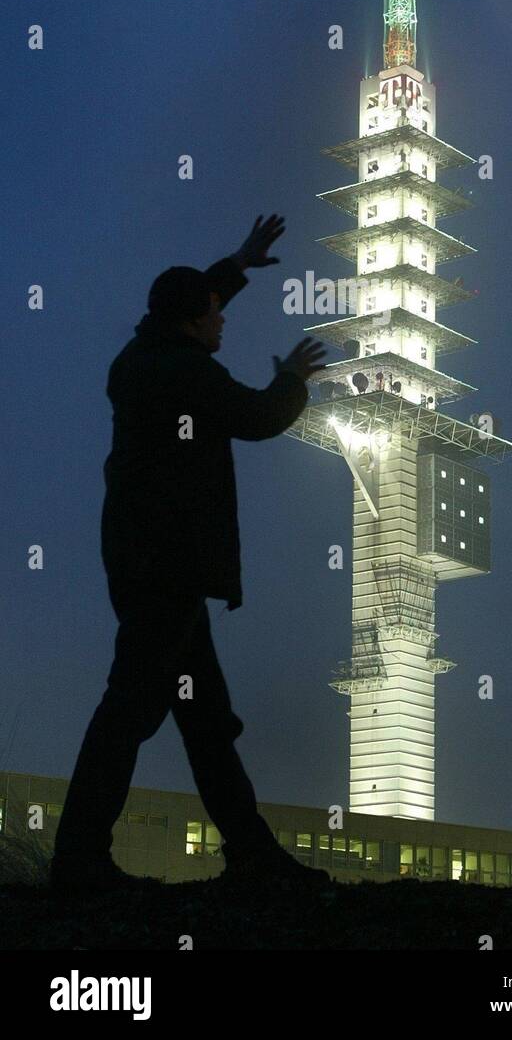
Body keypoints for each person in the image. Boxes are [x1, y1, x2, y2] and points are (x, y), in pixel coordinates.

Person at [50, 214, 327, 895]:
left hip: (149, 566)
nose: (223, 321)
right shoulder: (187, 377)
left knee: (204, 720)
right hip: (169, 571)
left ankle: (251, 854)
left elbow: (183, 307)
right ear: (193, 322)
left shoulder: (142, 357)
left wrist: (234, 266)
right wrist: (293, 378)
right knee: (133, 708)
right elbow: (259, 418)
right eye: (215, 312)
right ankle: (80, 859)